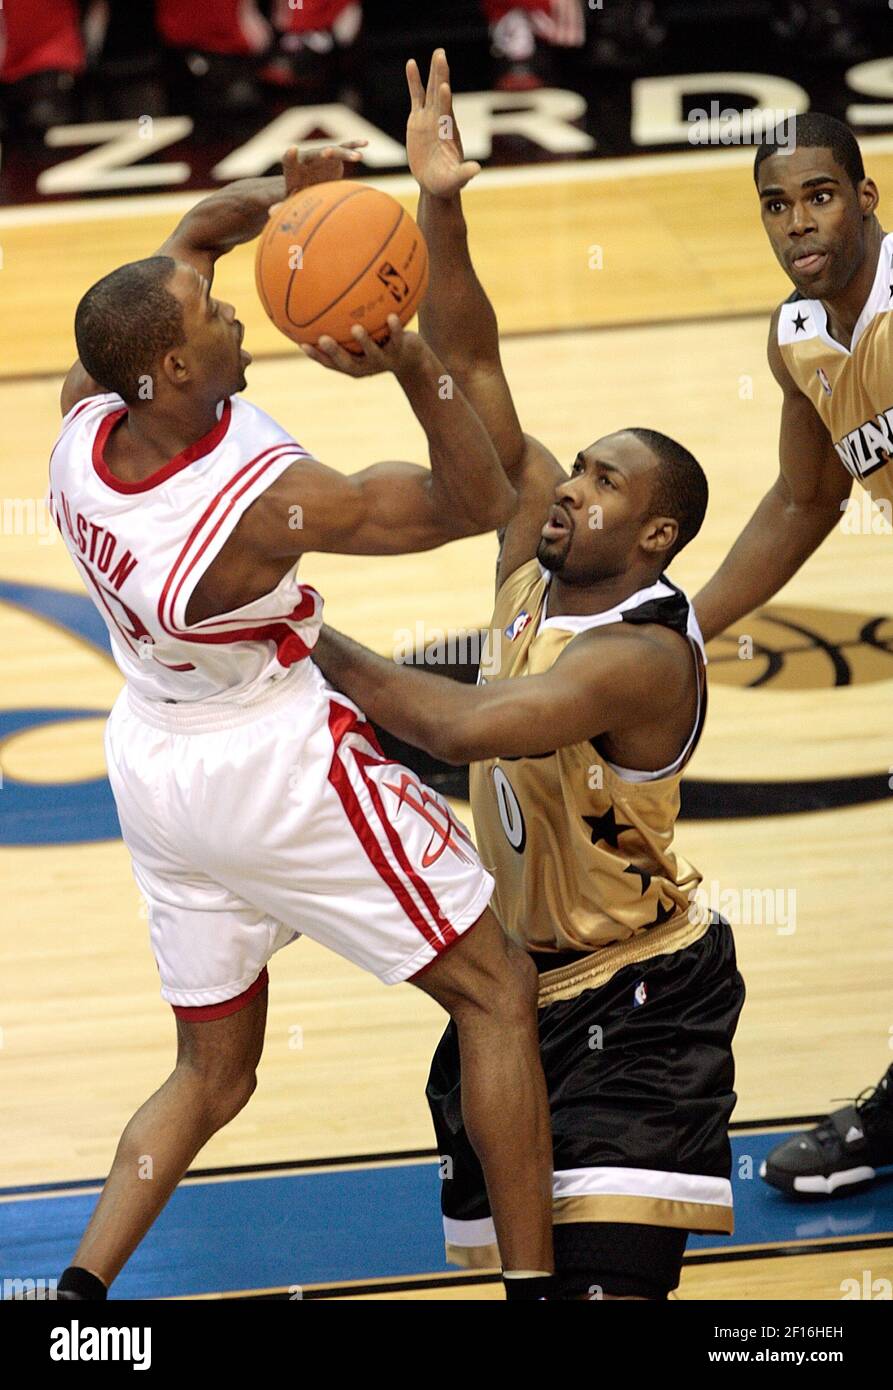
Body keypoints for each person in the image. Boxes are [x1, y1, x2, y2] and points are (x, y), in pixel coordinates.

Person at [46, 141, 554, 1301]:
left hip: (156, 762)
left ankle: (74, 1303)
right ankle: (535, 1292)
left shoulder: (85, 417)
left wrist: (287, 205)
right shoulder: (260, 512)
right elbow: (478, 497)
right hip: (271, 762)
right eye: (215, 317)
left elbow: (184, 241)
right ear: (175, 368)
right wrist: (404, 353)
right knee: (495, 988)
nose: (235, 314)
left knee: (212, 1075)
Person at [307, 51, 746, 1300]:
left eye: (605, 482)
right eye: (577, 468)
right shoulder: (529, 550)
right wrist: (435, 207)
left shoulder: (638, 657)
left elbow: (463, 719)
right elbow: (473, 361)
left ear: (654, 537)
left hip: (638, 1000)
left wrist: (296, 626)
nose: (569, 487)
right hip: (502, 992)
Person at [693, 111, 893, 1197]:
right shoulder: (797, 334)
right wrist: (682, 625)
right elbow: (804, 496)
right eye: (775, 203)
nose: (796, 221)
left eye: (818, 195)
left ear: (865, 199)